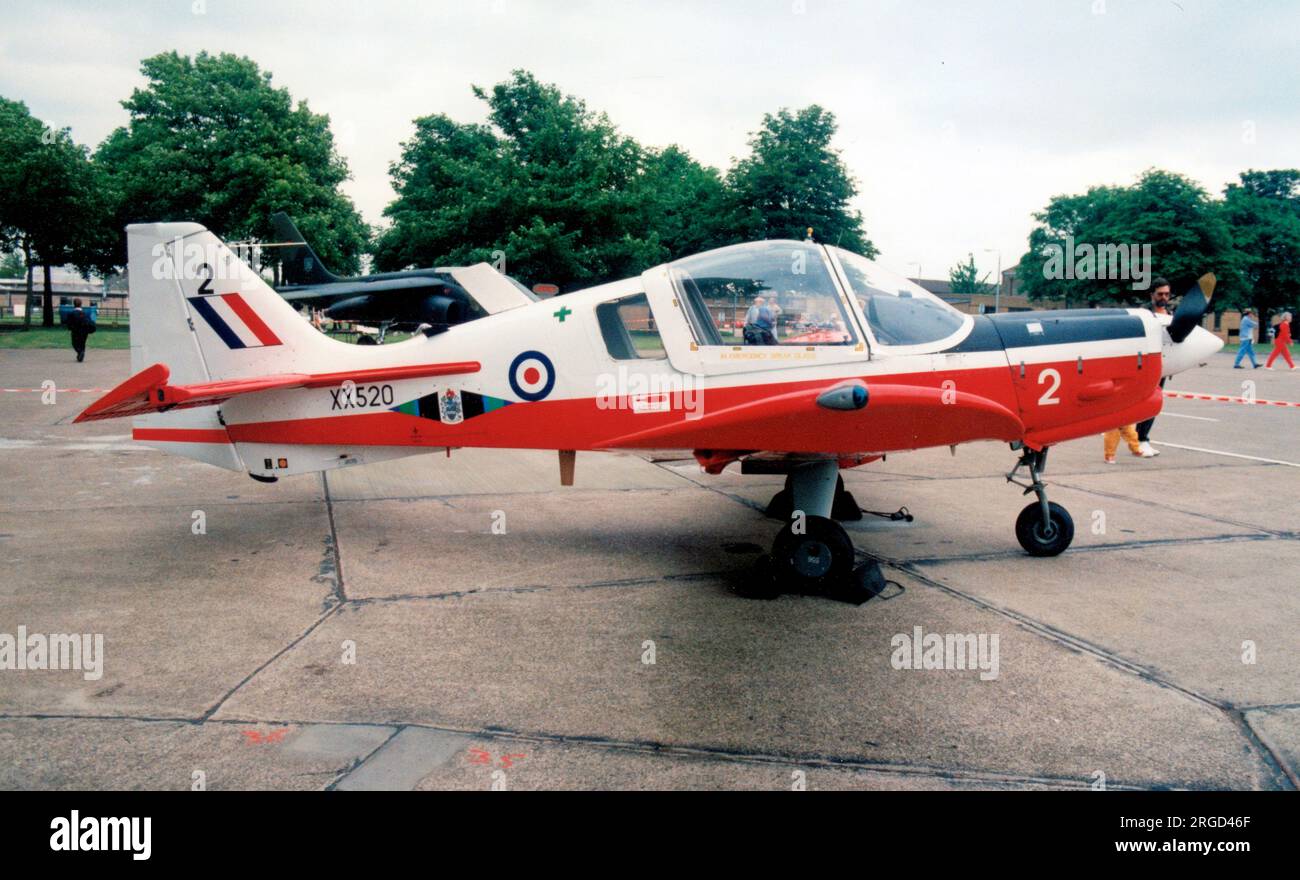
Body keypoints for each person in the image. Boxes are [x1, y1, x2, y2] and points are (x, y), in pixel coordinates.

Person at [1135, 278, 1171, 457]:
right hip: (1145, 365)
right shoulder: (1143, 314)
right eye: (1160, 294)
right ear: (1152, 295)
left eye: (1166, 294)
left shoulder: (1172, 314)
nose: (1164, 297)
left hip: (1164, 365)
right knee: (1143, 402)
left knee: (1154, 402)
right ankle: (1140, 439)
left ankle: (1142, 438)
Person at [65, 298, 96, 363]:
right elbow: (89, 322)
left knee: (74, 344)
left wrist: (70, 329)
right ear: (81, 304)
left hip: (75, 331)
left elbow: (69, 324)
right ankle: (80, 355)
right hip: (84, 332)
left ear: (74, 304)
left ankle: (80, 352)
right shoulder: (85, 314)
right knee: (82, 343)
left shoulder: (71, 314)